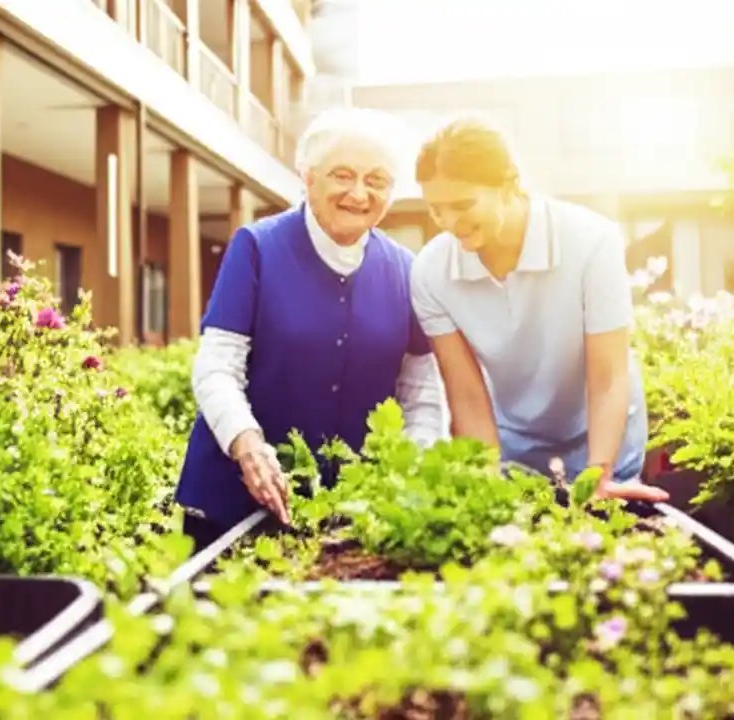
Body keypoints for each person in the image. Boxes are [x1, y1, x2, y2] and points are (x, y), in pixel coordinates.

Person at [174, 108, 447, 553]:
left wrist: (408, 472)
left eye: (377, 180)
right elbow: (217, 368)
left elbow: (423, 396)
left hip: (351, 511)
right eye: (343, 175)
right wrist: (249, 446)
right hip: (233, 500)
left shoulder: (407, 271)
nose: (359, 193)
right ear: (308, 176)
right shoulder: (257, 248)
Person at [409, 115, 669, 503]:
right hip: (515, 444)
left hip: (601, 437)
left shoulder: (591, 242)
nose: (448, 223)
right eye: (436, 209)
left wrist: (600, 474)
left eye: (462, 204)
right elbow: (466, 394)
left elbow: (607, 375)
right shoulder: (431, 271)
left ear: (509, 184)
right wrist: (485, 485)